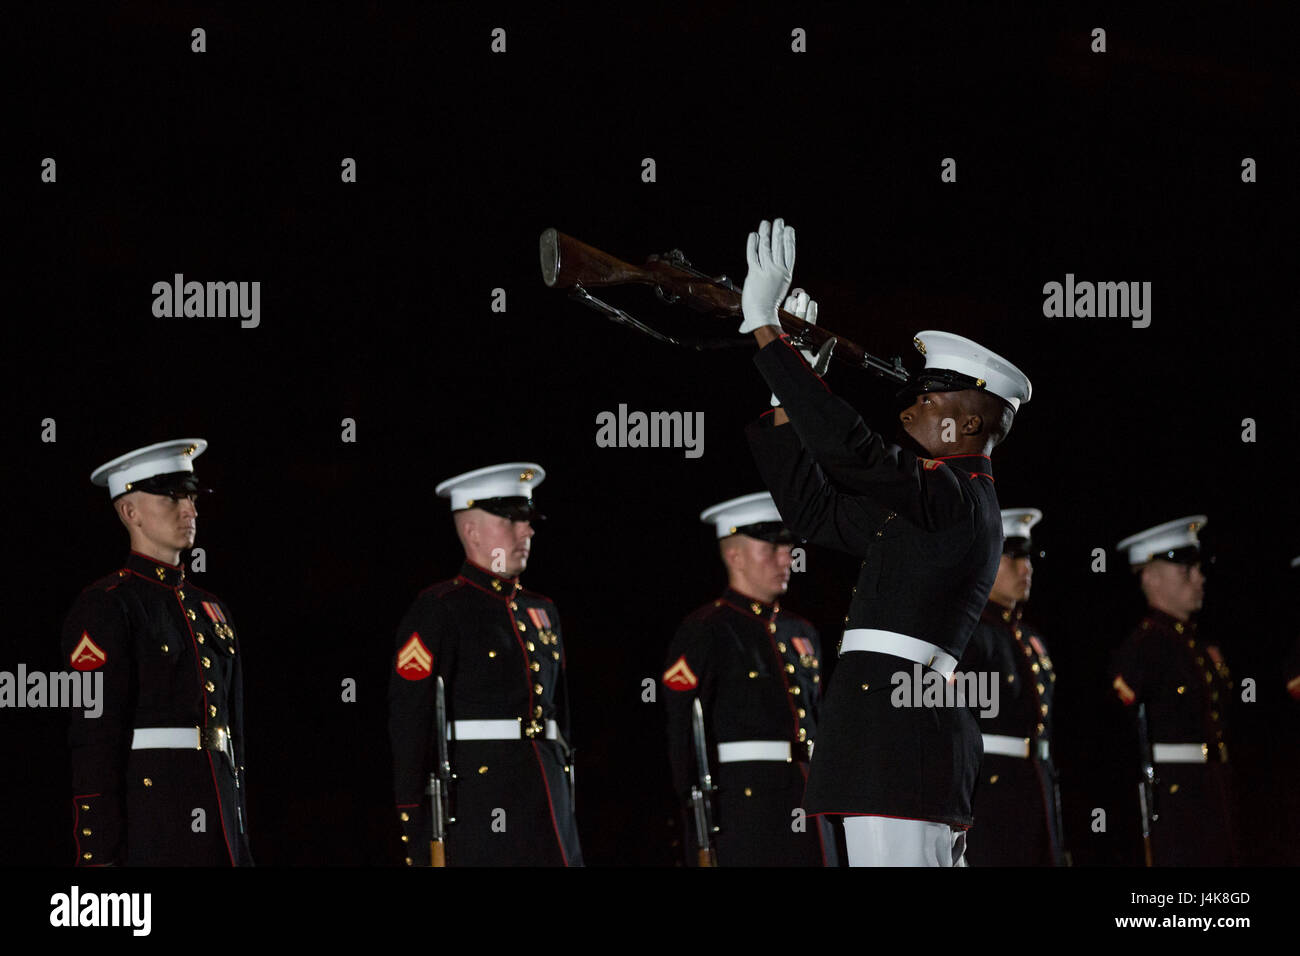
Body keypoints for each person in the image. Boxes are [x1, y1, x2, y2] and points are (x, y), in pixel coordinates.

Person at [739, 218, 1031, 866]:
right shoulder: (936, 510)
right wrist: (787, 390)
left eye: (924, 399)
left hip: (898, 739)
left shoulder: (953, 498)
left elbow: (854, 453)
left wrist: (766, 330)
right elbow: (814, 510)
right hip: (898, 736)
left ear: (967, 417)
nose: (907, 412)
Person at [62, 438, 252, 866]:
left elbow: (232, 739)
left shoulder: (212, 609)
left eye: (190, 495)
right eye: (171, 496)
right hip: (154, 823)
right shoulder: (107, 604)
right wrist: (99, 856)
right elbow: (94, 739)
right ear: (130, 512)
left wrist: (241, 838)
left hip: (219, 818)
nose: (190, 509)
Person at [388, 462, 582, 866]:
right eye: (511, 521)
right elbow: (411, 717)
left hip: (546, 789)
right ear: (472, 531)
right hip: (481, 799)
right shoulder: (441, 610)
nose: (527, 532)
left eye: (527, 521)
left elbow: (561, 715)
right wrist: (414, 816)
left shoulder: (541, 610)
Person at [662, 492, 836, 865]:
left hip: (808, 794)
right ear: (734, 555)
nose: (785, 558)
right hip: (745, 807)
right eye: (770, 548)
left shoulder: (799, 631)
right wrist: (698, 826)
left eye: (787, 547)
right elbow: (683, 734)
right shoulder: (707, 630)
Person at [1111, 515, 1235, 865]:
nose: (1199, 579)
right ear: (1150, 577)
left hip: (1213, 786)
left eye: (1197, 569)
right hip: (1176, 796)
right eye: (1185, 571)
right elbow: (1122, 730)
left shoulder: (1197, 645)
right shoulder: (1144, 648)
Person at [959, 508, 1066, 865]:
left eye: (1028, 558)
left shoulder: (1030, 637)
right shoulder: (967, 634)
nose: (1027, 569)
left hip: (1037, 781)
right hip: (989, 792)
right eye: (1013, 557)